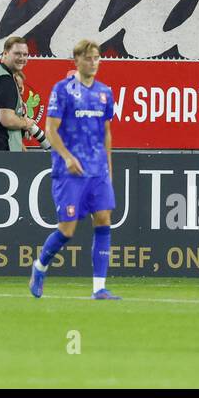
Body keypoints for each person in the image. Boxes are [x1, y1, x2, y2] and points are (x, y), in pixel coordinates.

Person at [29, 39, 118, 301]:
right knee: (67, 230)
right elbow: (50, 130)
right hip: (70, 172)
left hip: (97, 170)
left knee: (103, 220)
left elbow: (107, 132)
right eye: (89, 58)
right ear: (76, 60)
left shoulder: (105, 92)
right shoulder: (63, 90)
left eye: (97, 58)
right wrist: (67, 157)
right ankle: (40, 266)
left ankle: (99, 288)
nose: (94, 62)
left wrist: (109, 169)